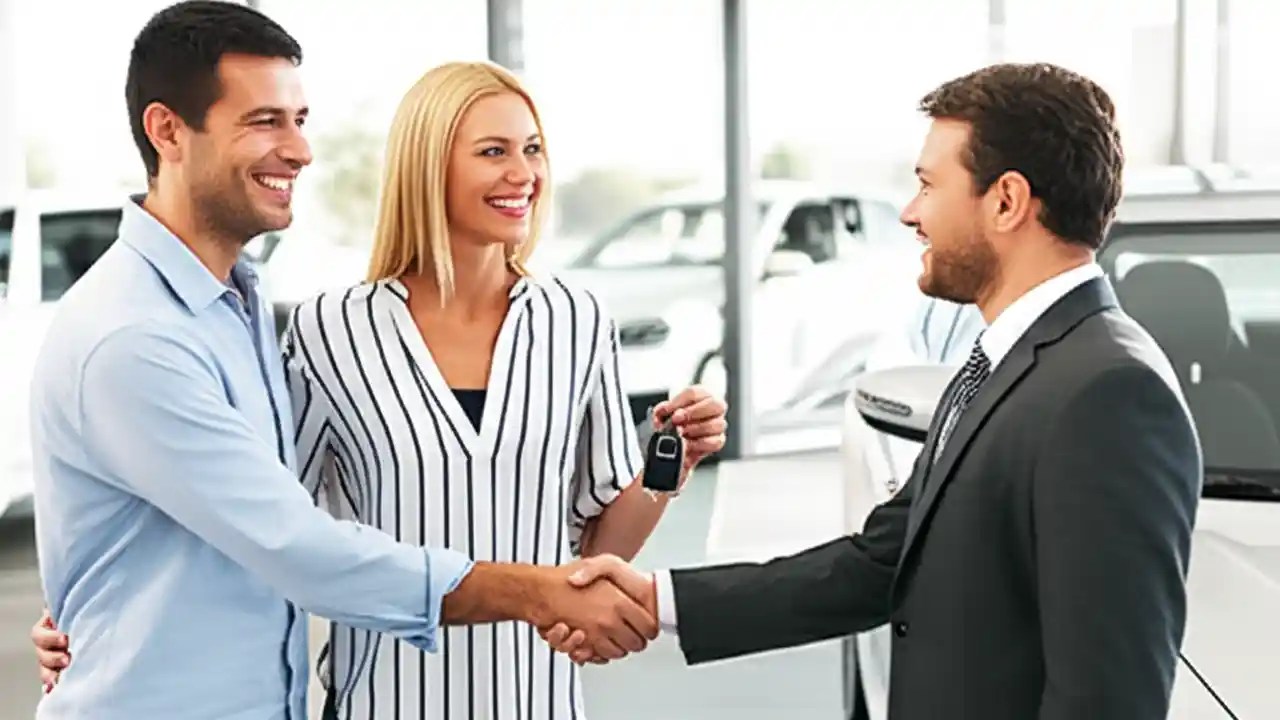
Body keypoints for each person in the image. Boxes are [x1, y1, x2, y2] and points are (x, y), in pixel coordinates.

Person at [27, 3, 723, 718]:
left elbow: (592, 536)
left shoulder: (236, 309)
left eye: (534, 148)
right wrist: (96, 612)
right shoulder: (248, 332)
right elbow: (291, 538)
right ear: (168, 130)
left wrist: (663, 477)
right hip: (377, 700)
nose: (299, 150)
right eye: (266, 120)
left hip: (532, 696)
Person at [545, 62, 1204, 720]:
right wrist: (656, 601)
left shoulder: (1109, 394)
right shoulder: (1003, 363)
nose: (911, 213)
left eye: (927, 185)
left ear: (1006, 200)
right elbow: (880, 564)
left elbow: (1108, 701)